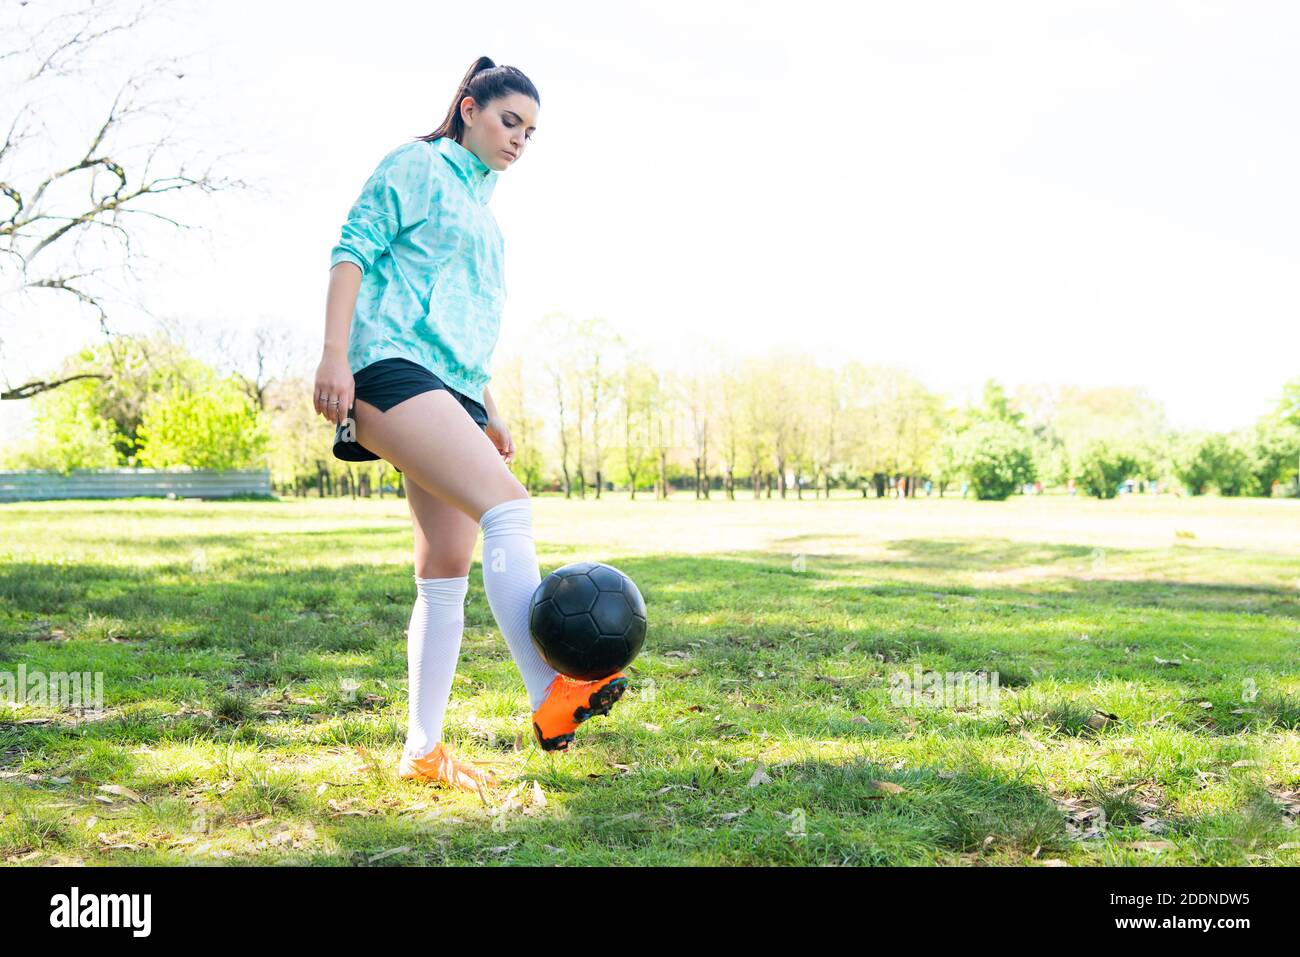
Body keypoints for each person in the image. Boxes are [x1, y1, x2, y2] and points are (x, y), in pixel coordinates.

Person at [313, 57, 627, 793]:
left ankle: (421, 750)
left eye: (531, 132)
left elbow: (463, 322)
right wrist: (334, 357)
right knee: (509, 508)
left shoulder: (486, 216)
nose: (519, 139)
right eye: (508, 120)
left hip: (453, 390)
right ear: (466, 109)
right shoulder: (417, 166)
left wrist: (488, 409)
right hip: (387, 370)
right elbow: (350, 250)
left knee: (443, 576)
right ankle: (550, 691)